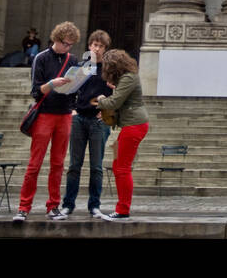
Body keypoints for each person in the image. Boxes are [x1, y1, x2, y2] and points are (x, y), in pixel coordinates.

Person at [14, 21, 80, 222]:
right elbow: (35, 91)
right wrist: (51, 85)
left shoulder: (72, 59)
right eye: (65, 43)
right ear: (55, 39)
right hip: (45, 113)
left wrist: (75, 96)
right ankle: (24, 207)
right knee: (34, 164)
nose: (67, 48)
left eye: (70, 44)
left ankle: (53, 206)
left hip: (65, 114)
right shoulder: (41, 58)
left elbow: (75, 88)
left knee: (58, 164)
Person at [93, 49, 150, 221]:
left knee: (122, 168)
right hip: (132, 125)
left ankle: (123, 209)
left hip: (134, 125)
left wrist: (99, 100)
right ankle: (122, 207)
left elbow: (115, 102)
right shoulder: (127, 78)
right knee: (119, 166)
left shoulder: (128, 78)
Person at [61, 29, 112, 220]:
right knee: (74, 164)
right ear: (89, 46)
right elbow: (70, 90)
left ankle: (94, 206)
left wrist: (107, 111)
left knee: (96, 167)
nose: (97, 49)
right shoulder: (83, 67)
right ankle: (68, 205)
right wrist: (73, 109)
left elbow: (116, 94)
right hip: (79, 118)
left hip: (99, 121)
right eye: (94, 45)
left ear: (105, 49)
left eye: (101, 46)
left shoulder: (108, 69)